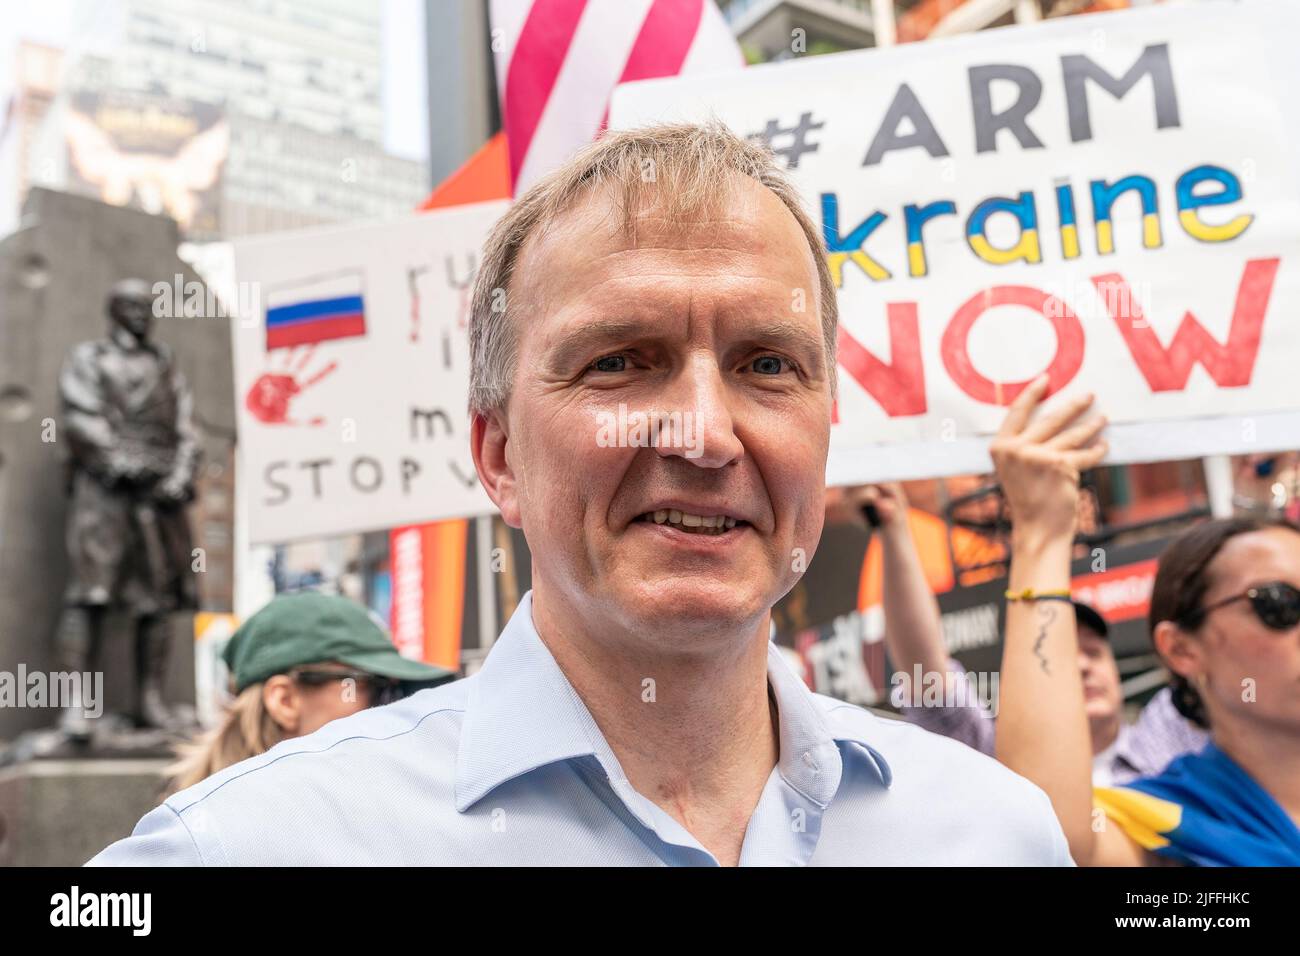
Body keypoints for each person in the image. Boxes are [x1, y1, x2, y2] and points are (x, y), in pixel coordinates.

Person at [91, 120, 1072, 866]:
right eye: (618, 361)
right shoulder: (249, 848)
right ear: (499, 453)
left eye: (767, 363)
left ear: (825, 427)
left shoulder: (997, 834)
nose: (703, 432)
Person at [991, 377, 1300, 866]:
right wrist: (1040, 535)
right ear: (1181, 650)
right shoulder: (1173, 824)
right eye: (1282, 604)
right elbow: (1048, 837)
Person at [848, 482, 1206, 785]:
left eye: (1095, 652)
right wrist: (894, 529)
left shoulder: (1172, 743)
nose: (1082, 666)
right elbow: (924, 677)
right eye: (1063, 656)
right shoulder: (999, 763)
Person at [56, 278, 201, 736]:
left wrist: (178, 476)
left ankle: (150, 703)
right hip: (105, 496)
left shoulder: (165, 363)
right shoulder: (89, 358)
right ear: (114, 311)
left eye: (148, 307)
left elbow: (187, 427)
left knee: (157, 600)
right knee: (91, 595)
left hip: (159, 496)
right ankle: (78, 705)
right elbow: (79, 417)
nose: (143, 315)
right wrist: (118, 459)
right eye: (133, 307)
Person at [165, 591, 455, 794]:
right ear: (285, 701)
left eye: (398, 690)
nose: (393, 706)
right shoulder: (215, 837)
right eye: (375, 686)